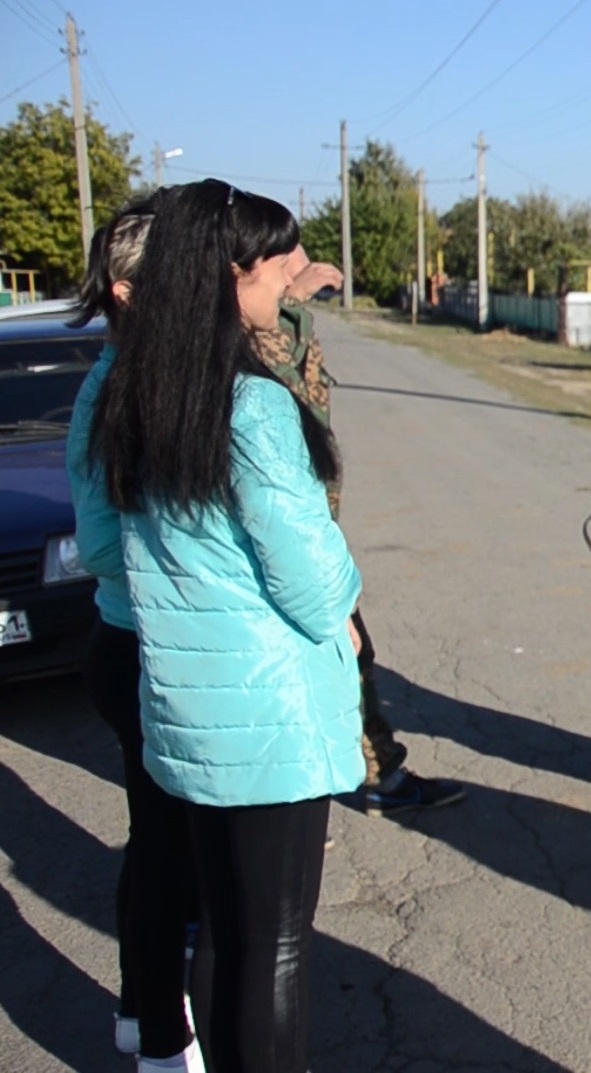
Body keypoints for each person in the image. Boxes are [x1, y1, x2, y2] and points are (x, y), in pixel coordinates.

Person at [88, 179, 364, 1073]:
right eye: (272, 260)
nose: (287, 275)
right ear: (228, 275)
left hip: (189, 708)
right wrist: (347, 597)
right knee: (275, 947)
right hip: (268, 718)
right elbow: (316, 584)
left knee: (225, 932)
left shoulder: (133, 395)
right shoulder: (248, 406)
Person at [66, 199, 205, 1073]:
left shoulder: (142, 375)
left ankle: (138, 1004)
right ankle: (161, 1036)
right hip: (140, 646)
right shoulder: (117, 386)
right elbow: (102, 542)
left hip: (149, 645)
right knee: (166, 853)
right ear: (127, 289)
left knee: (163, 845)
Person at [254, 246, 466, 816]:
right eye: (283, 257)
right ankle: (302, 798)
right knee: (332, 656)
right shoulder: (246, 336)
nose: (300, 263)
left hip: (313, 525)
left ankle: (372, 776)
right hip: (288, 535)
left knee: (350, 656)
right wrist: (292, 303)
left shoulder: (277, 320)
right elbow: (280, 393)